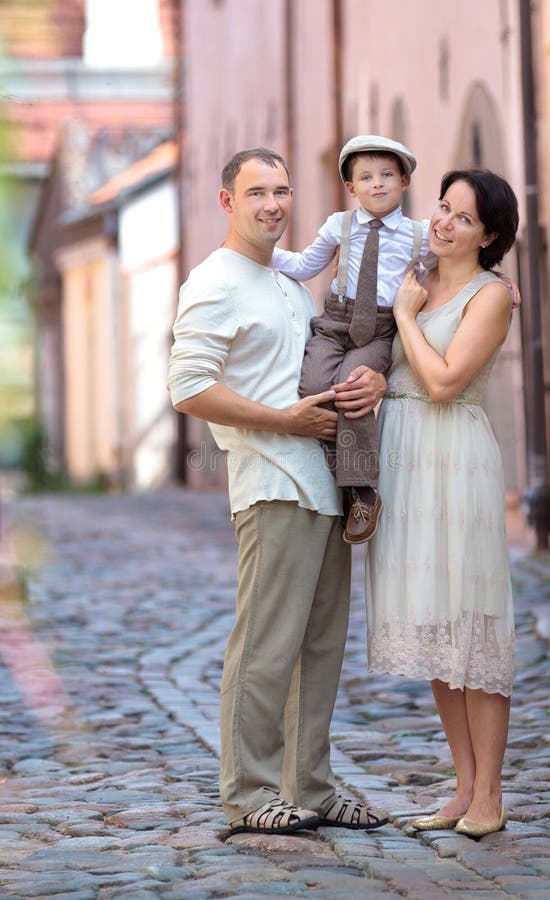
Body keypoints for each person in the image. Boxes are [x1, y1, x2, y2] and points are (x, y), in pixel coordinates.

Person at [167, 147, 389, 836]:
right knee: (264, 646)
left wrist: (369, 382)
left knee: (320, 648)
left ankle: (312, 787)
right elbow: (189, 387)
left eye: (282, 190)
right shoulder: (214, 281)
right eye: (257, 191)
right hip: (271, 482)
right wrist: (281, 420)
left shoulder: (291, 285)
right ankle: (249, 793)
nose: (273, 204)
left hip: (325, 482)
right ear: (227, 202)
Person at [364, 169, 519, 838]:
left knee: (473, 626)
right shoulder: (418, 279)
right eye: (443, 207)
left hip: (455, 461)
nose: (443, 221)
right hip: (406, 464)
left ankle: (490, 796)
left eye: (461, 216)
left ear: (488, 234)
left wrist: (404, 315)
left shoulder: (492, 297)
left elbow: (445, 383)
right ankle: (461, 789)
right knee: (432, 628)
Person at [273, 135, 431, 545]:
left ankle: (362, 491)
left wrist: (497, 277)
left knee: (352, 387)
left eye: (387, 175)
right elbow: (305, 264)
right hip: (336, 322)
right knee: (313, 388)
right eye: (365, 177)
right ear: (351, 188)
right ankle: (338, 472)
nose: (377, 184)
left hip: (378, 330)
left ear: (405, 181)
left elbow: (454, 267)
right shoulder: (338, 226)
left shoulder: (420, 235)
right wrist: (255, 252)